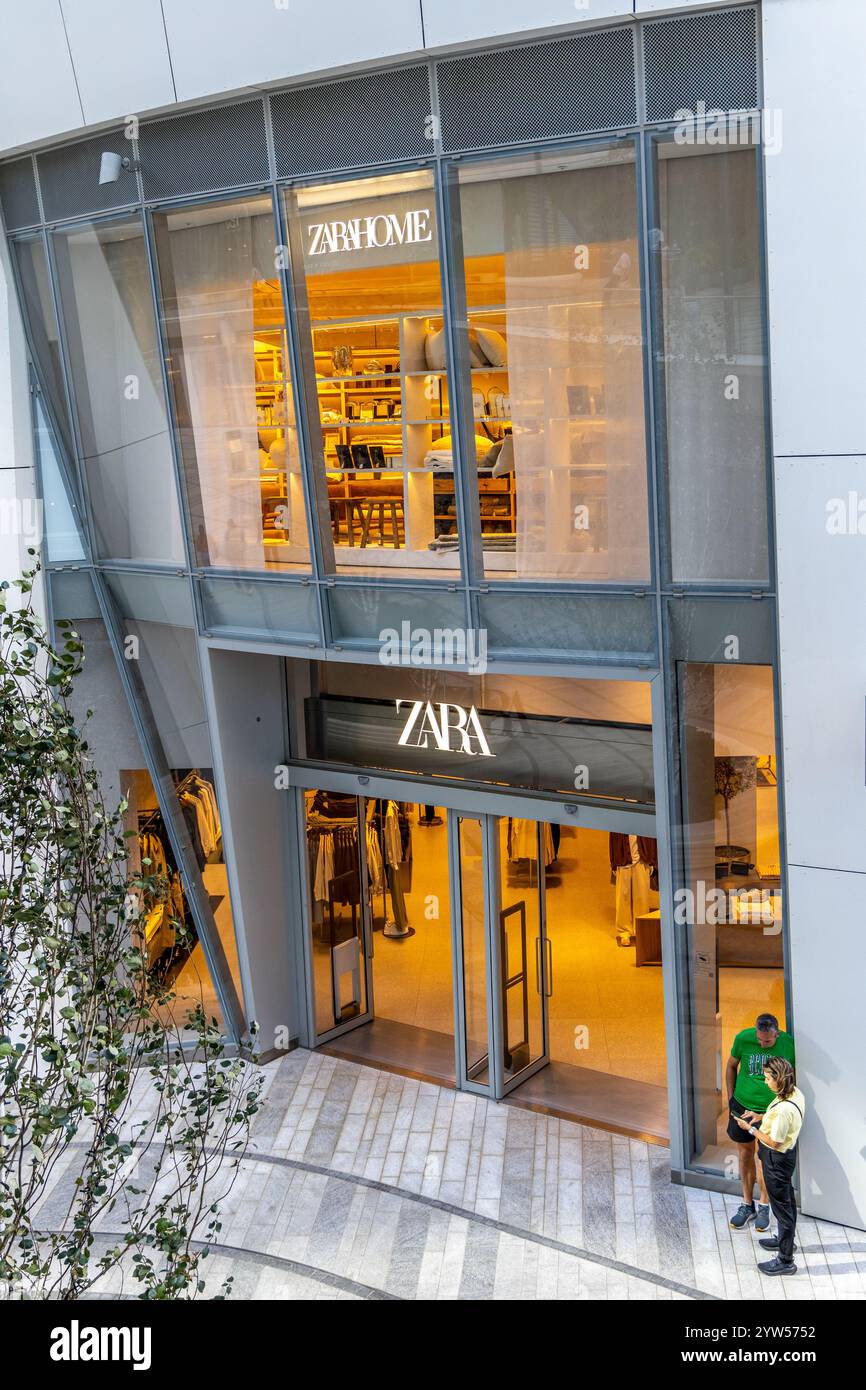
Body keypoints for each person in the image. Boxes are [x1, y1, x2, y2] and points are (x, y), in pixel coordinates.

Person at [733, 1056, 804, 1276]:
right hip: (785, 1158)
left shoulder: (784, 1110)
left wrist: (750, 1128)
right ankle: (786, 1241)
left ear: (778, 1078)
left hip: (776, 1160)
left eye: (767, 1077)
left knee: (782, 1209)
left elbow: (774, 1141)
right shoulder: (793, 1093)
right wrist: (760, 1116)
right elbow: (778, 1118)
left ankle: (785, 1260)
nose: (765, 1082)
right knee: (787, 1202)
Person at [725, 1013, 795, 1233]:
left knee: (764, 1159)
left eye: (768, 1041)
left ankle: (764, 1206)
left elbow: (792, 1078)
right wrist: (730, 1097)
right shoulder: (743, 1038)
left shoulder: (788, 1044)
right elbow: (731, 1066)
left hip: (768, 1113)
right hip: (742, 1107)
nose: (763, 1044)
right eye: (760, 1040)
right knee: (745, 1156)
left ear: (777, 1033)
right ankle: (748, 1205)